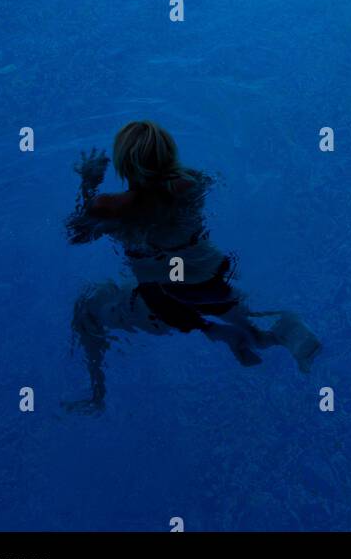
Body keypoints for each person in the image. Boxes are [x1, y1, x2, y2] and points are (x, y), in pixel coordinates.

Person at [65, 121, 320, 413]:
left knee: (86, 305)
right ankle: (263, 332)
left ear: (124, 163)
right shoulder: (193, 183)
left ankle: (97, 396)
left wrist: (88, 182)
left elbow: (77, 234)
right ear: (169, 154)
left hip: (162, 301)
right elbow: (167, 190)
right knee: (227, 307)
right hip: (211, 280)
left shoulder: (112, 207)